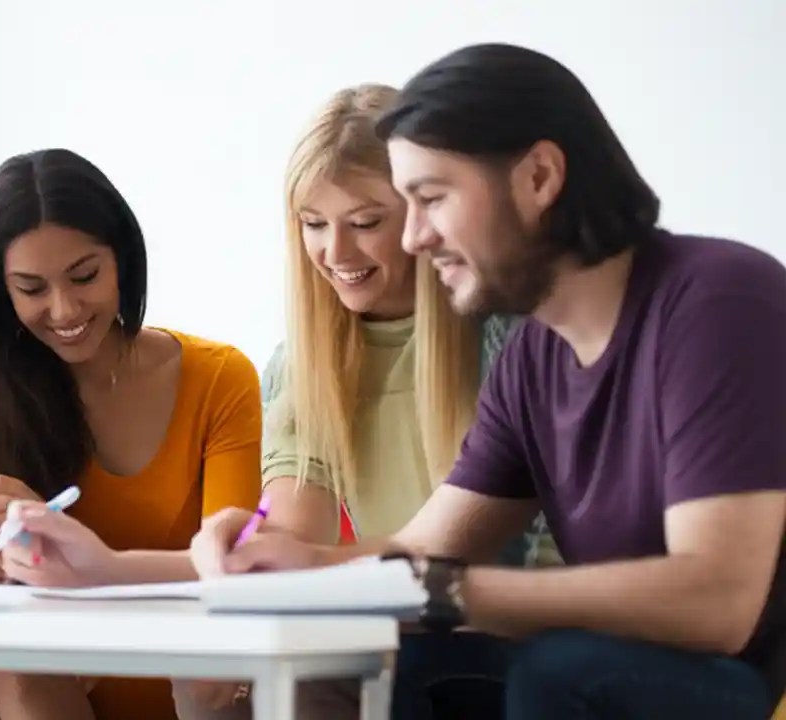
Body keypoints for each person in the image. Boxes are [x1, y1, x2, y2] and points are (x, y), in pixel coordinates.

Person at [190, 42, 786, 720]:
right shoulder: (533, 355)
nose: (413, 238)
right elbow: (417, 554)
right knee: (397, 663)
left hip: (718, 680)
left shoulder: (719, 298)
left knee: (559, 670)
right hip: (583, 665)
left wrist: (445, 592)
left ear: (539, 177)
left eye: (432, 199)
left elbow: (717, 604)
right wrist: (292, 566)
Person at [0, 147, 262, 720]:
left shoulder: (219, 379)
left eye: (85, 276)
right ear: (0, 293)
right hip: (47, 687)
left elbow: (238, 569)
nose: (64, 309)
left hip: (199, 691)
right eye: (31, 289)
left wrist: (83, 560)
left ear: (122, 261)